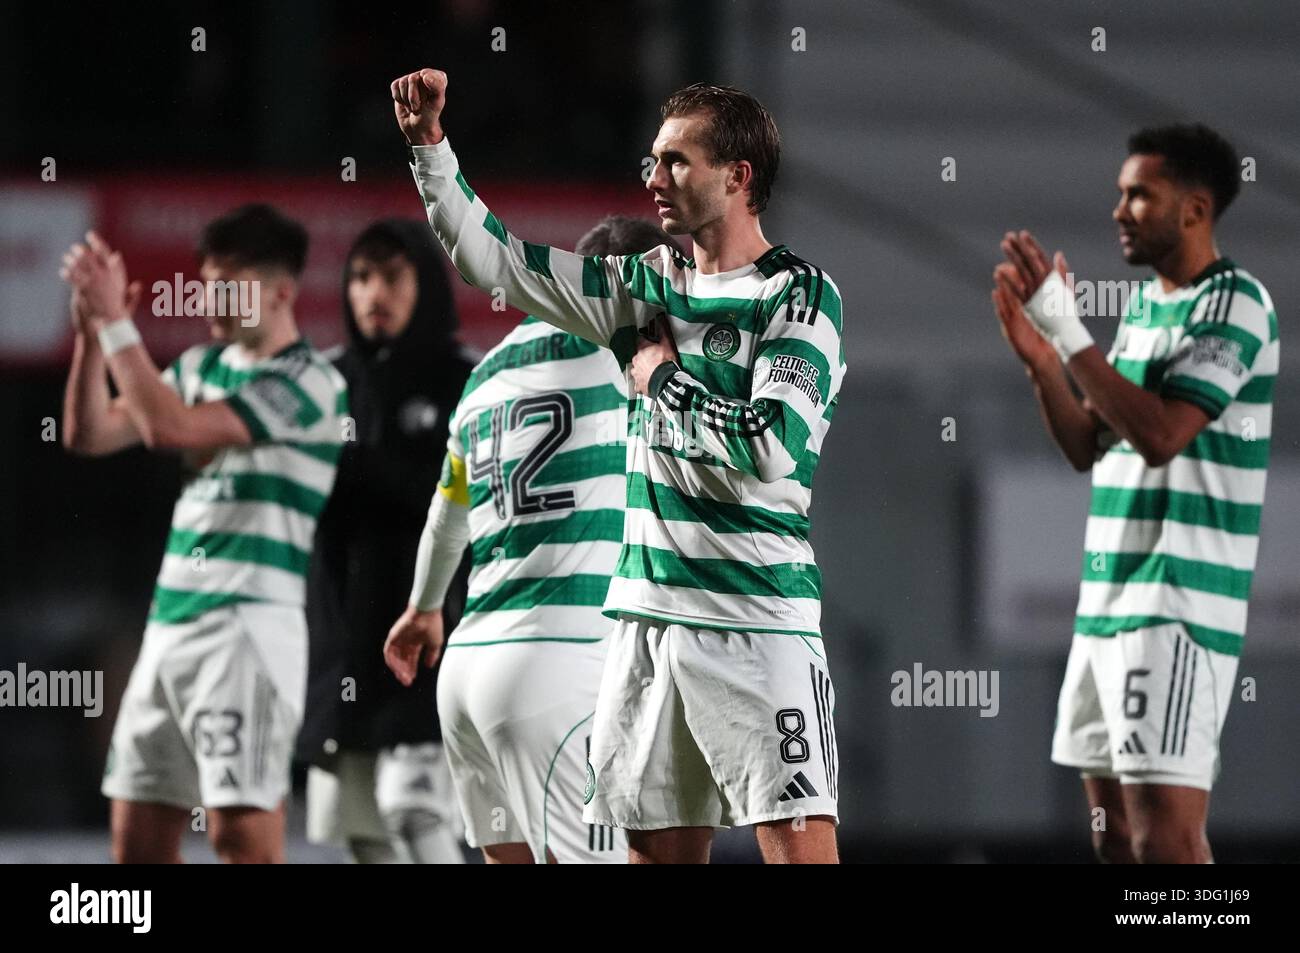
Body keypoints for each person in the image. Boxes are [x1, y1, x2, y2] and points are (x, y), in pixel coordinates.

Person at [390, 68, 846, 864]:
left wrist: (660, 382)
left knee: (799, 853)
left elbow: (769, 445)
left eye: (676, 162)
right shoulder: (640, 289)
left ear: (738, 177)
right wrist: (431, 147)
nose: (655, 179)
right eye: (652, 160)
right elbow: (497, 261)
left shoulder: (798, 296)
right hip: (642, 626)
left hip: (755, 622)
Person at [991, 124, 1278, 863]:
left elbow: (1162, 434)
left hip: (1175, 603)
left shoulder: (1235, 303)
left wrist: (1069, 331)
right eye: (1121, 193)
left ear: (1195, 208)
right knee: (1115, 836)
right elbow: (1088, 444)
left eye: (1139, 194)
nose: (1120, 209)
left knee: (1167, 839)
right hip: (1108, 603)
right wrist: (1044, 365)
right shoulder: (1147, 309)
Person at [386, 215, 681, 864]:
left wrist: (424, 606)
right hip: (559, 666)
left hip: (467, 669)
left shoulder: (486, 372)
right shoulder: (620, 341)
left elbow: (449, 509)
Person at [60, 206, 348, 863]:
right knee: (136, 840)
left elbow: (171, 431)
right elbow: (88, 433)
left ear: (280, 292)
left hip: (246, 629)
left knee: (239, 837)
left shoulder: (311, 382)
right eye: (205, 281)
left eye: (227, 284)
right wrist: (89, 336)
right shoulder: (198, 367)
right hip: (169, 627)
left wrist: (118, 323)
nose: (207, 297)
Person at [300, 219, 476, 863]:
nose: (374, 292)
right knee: (366, 837)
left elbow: (460, 503)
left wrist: (356, 463)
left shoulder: (466, 380)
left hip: (431, 641)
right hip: (341, 646)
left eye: (392, 277)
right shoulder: (322, 382)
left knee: (416, 811)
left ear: (425, 285)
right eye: (361, 277)